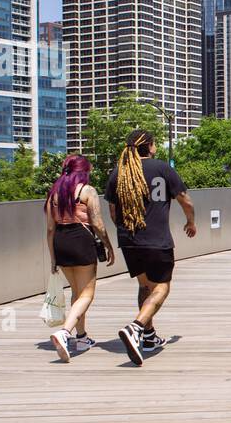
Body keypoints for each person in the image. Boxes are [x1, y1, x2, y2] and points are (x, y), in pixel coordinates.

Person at [105, 129, 196, 366]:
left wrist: (126, 230)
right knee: (162, 287)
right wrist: (191, 221)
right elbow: (185, 199)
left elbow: (113, 211)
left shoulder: (120, 173)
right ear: (151, 146)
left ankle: (148, 336)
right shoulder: (162, 168)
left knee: (144, 285)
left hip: (129, 239)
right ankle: (136, 327)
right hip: (157, 240)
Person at [45, 155, 114, 362]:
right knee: (87, 294)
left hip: (61, 242)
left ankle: (82, 337)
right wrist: (109, 245)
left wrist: (53, 257)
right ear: (83, 171)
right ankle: (65, 332)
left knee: (77, 292)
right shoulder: (87, 191)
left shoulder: (54, 194)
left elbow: (50, 229)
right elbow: (97, 223)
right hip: (81, 241)